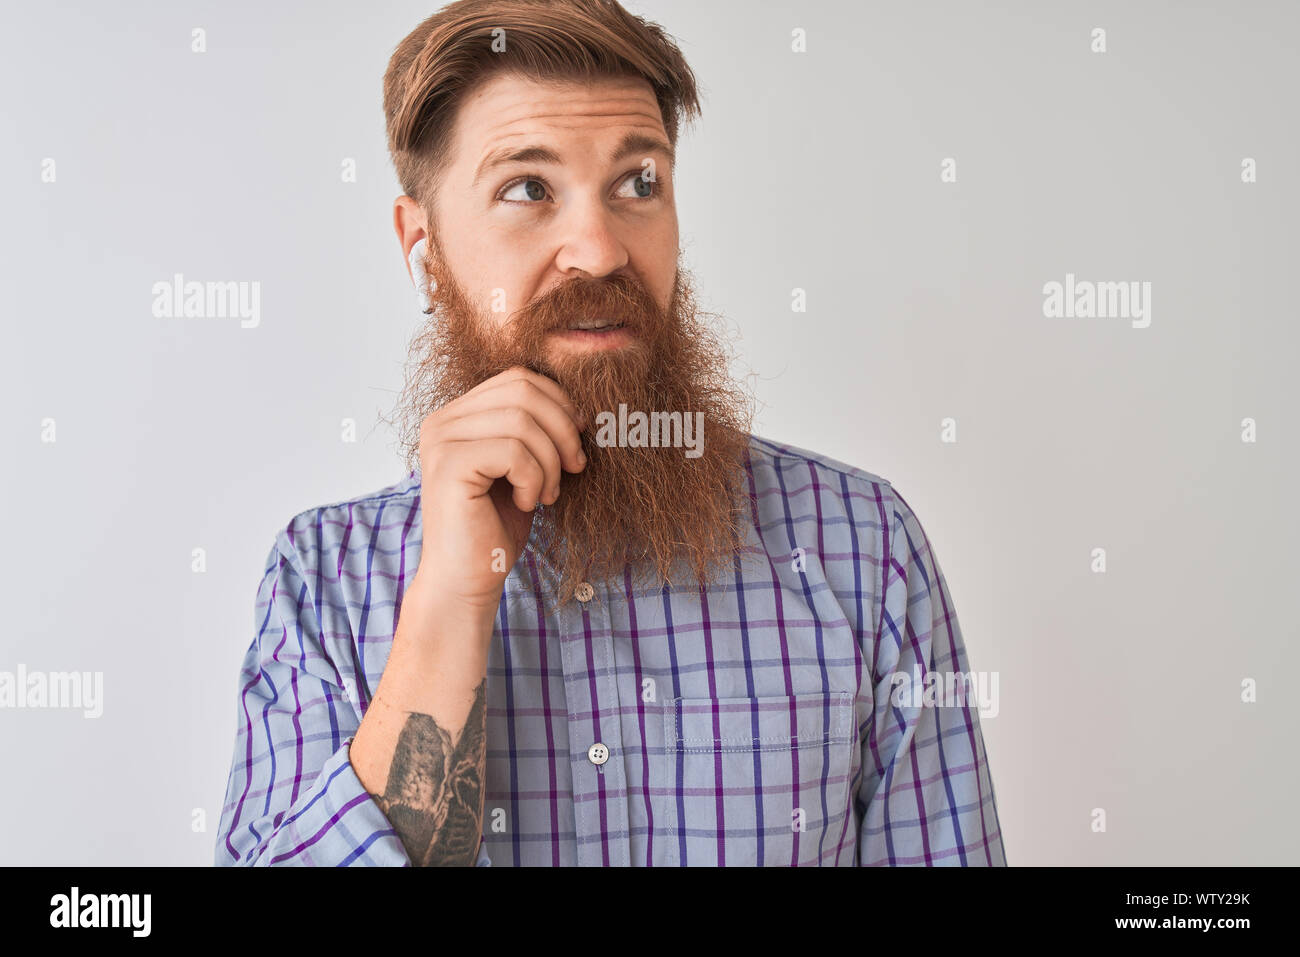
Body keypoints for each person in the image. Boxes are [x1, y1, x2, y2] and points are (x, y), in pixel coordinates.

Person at [214, 0, 1006, 867]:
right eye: (527, 189)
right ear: (426, 251)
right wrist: (450, 600)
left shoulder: (863, 548)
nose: (597, 249)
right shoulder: (323, 582)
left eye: (639, 184)